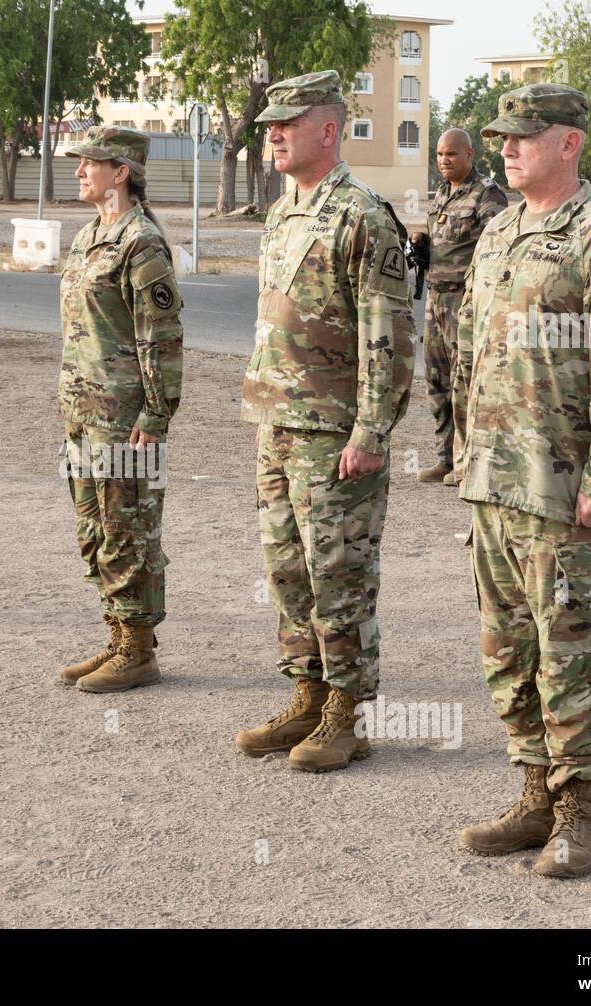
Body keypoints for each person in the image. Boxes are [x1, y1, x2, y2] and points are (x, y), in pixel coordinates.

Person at [454, 84, 591, 877]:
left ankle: (579, 813)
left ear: (570, 143)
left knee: (568, 651)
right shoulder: (501, 228)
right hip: (495, 483)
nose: (507, 147)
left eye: (524, 136)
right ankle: (534, 793)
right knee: (506, 650)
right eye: (502, 136)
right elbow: (473, 349)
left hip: (563, 487)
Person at [233, 70, 415, 772]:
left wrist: (372, 431)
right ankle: (307, 695)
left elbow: (389, 336)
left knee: (340, 574)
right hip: (277, 424)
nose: (272, 132)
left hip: (335, 434)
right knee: (289, 572)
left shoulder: (363, 216)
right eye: (270, 123)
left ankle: (347, 714)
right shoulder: (283, 212)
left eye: (288, 121)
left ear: (329, 129)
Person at [56, 126, 183, 693]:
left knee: (127, 531)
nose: (81, 171)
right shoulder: (89, 235)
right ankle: (117, 634)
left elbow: (161, 337)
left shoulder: (141, 242)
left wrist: (155, 417)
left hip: (125, 420)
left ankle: (138, 649)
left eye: (90, 163)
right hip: (83, 415)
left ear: (121, 172)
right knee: (93, 530)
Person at [408, 128, 506, 484]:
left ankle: (470, 463)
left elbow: (498, 246)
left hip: (468, 302)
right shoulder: (442, 193)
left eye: (451, 154)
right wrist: (421, 242)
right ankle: (445, 458)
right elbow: (443, 237)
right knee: (437, 381)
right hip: (436, 299)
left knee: (468, 382)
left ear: (470, 155)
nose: (444, 161)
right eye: (439, 155)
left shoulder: (487, 194)